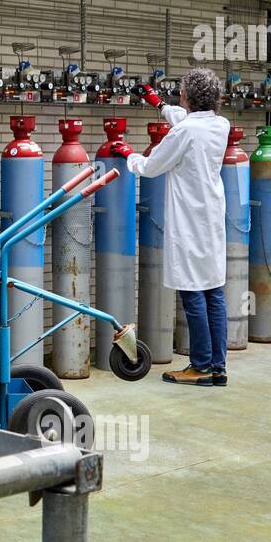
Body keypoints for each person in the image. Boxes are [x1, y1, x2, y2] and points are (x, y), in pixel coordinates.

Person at [109, 68, 231, 386]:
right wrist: (157, 103)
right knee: (213, 292)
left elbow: (151, 167)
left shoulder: (185, 132)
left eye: (182, 92)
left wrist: (127, 154)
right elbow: (187, 122)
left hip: (190, 220)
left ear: (187, 96)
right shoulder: (220, 125)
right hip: (212, 216)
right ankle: (218, 366)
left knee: (192, 293)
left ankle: (201, 366)